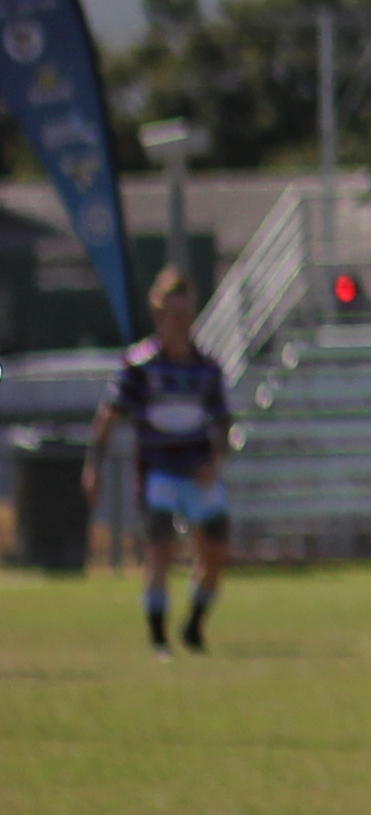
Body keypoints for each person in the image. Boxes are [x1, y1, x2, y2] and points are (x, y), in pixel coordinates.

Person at [94, 273, 229, 654]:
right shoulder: (140, 365)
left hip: (198, 471)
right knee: (160, 551)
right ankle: (158, 640)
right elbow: (108, 416)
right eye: (172, 315)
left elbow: (223, 423)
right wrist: (94, 466)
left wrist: (215, 461)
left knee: (215, 553)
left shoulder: (207, 368)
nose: (179, 324)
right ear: (158, 314)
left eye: (186, 315)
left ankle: (193, 626)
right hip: (158, 472)